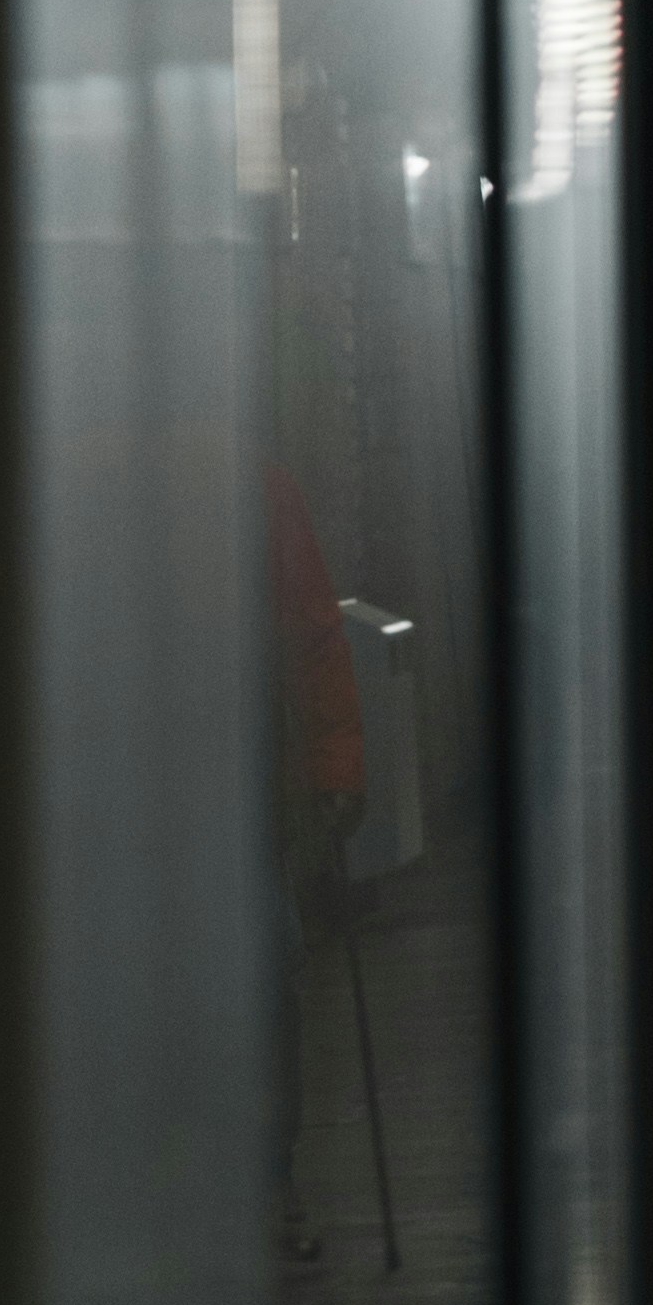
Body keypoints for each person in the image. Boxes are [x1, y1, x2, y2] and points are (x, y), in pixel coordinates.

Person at [263, 456, 362, 1257]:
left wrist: (331, 765)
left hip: (237, 781)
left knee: (258, 968)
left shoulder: (252, 479)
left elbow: (309, 633)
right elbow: (315, 636)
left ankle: (265, 1177)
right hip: (241, 780)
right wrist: (333, 771)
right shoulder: (254, 475)